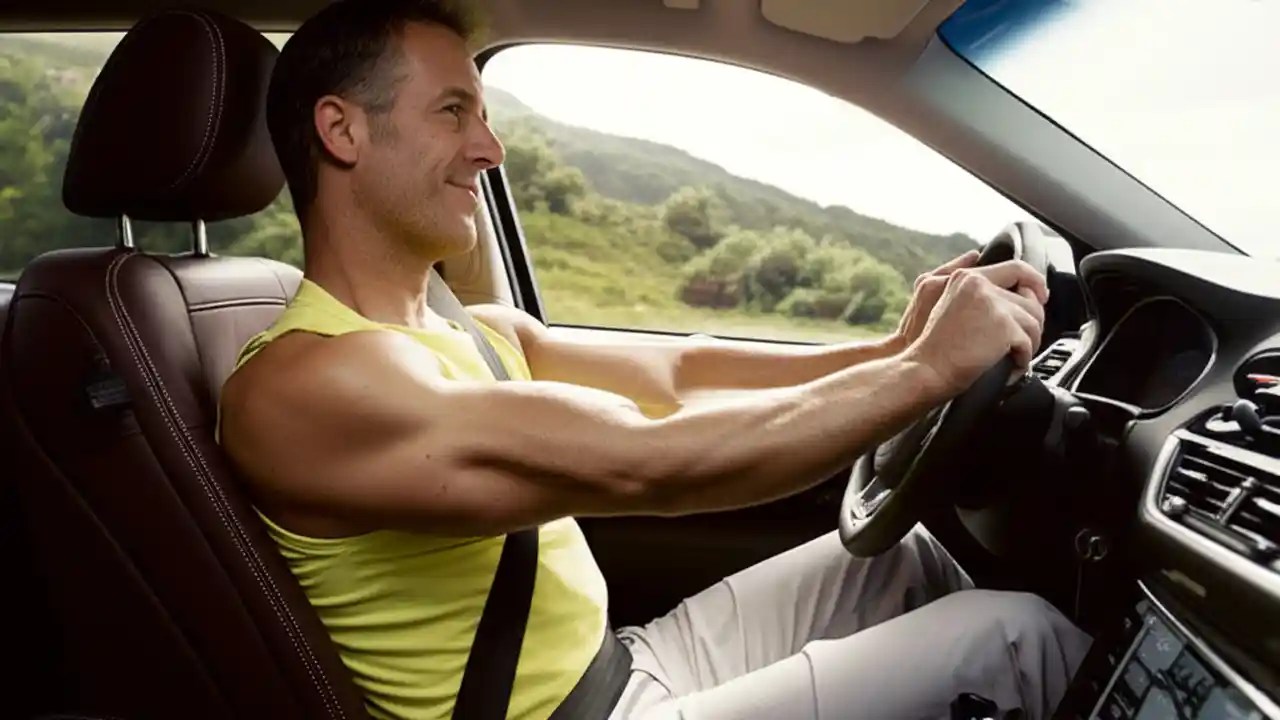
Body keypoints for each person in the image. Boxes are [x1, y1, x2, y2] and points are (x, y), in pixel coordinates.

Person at [217, 1, 1091, 718]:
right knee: (1020, 642)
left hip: (622, 662)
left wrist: (897, 347)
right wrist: (927, 373)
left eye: (483, 114)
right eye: (453, 111)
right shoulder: (305, 382)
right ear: (342, 131)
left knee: (913, 565)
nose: (491, 147)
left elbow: (684, 374)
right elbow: (650, 461)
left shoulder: (478, 329)